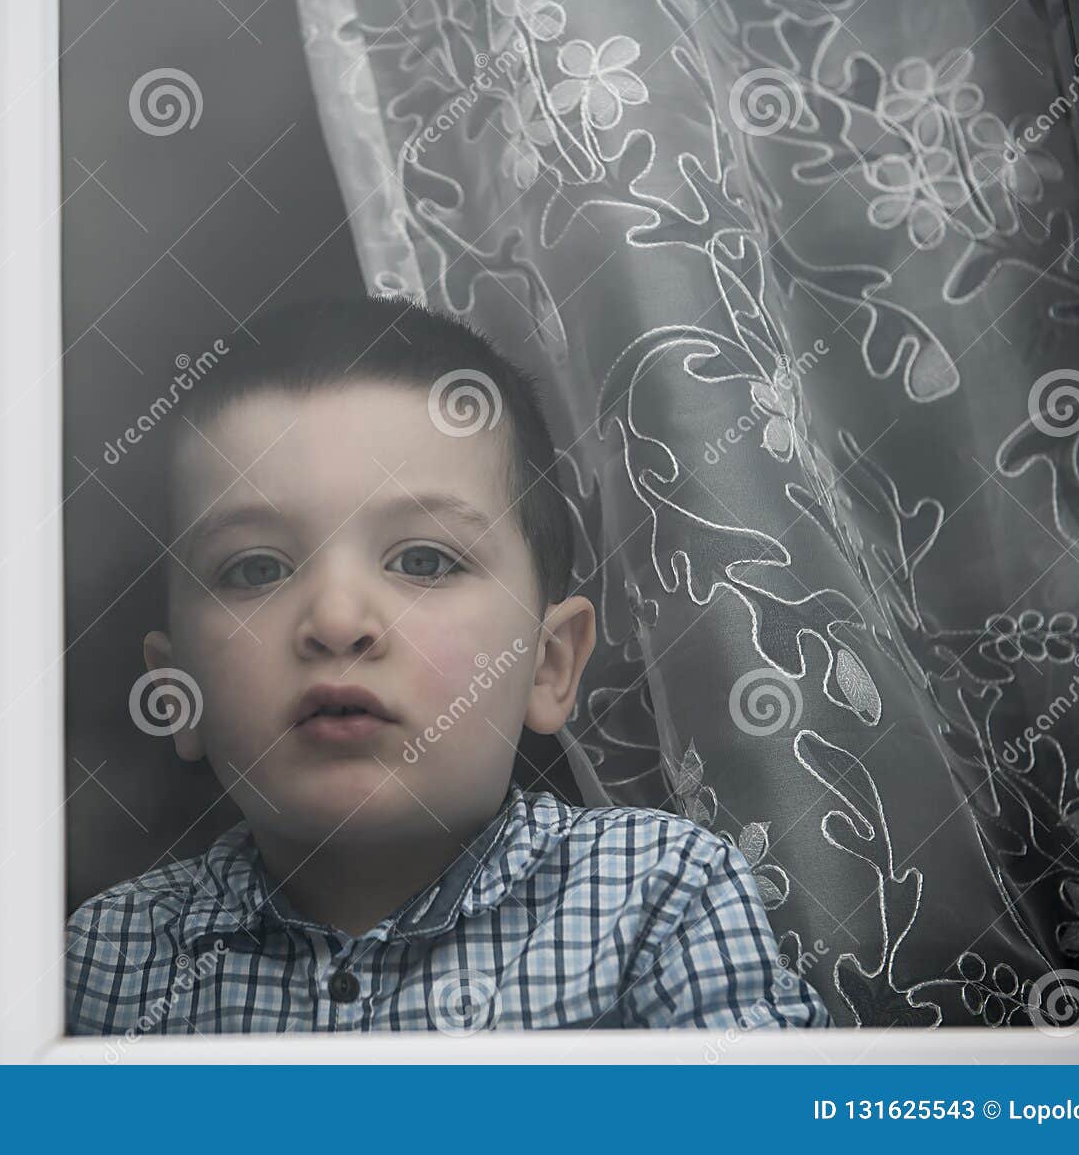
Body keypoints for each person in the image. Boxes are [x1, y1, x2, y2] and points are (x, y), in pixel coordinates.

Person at [66, 297, 833, 1035]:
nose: (337, 621)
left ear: (549, 666)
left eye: (425, 559)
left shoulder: (659, 898)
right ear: (178, 691)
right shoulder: (105, 961)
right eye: (255, 569)